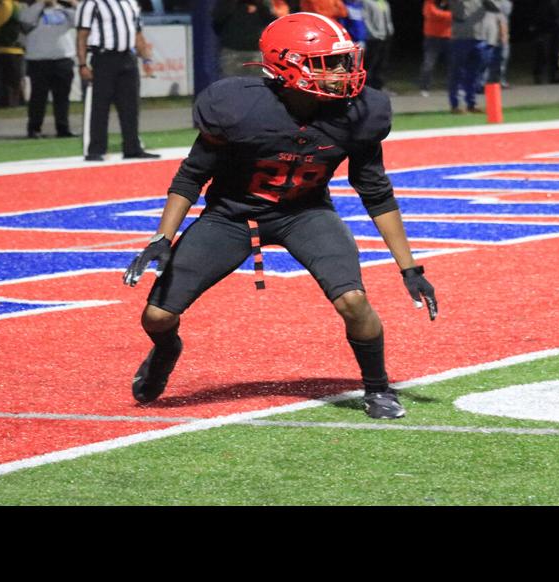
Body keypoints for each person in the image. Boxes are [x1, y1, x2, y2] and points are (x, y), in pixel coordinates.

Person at [119, 12, 440, 419]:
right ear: (287, 67)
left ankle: (377, 388)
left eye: (343, 61)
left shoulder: (360, 112)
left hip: (305, 213)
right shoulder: (238, 106)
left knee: (354, 301)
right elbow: (192, 175)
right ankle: (167, 351)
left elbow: (375, 191)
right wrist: (161, 237)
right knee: (157, 316)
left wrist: (409, 268)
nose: (342, 72)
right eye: (328, 63)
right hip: (231, 216)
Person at [75, 0, 157, 160]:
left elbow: (137, 32)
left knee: (131, 106)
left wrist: (146, 59)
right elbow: (82, 35)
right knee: (100, 105)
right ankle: (96, 150)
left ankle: (132, 147)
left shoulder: (130, 2)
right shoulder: (92, 3)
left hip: (128, 56)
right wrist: (82, 64)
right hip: (104, 57)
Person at [19, 0, 76, 137]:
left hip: (62, 59)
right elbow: (26, 21)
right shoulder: (31, 10)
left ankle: (63, 128)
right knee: (38, 97)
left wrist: (73, 3)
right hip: (39, 61)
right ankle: (34, 128)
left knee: (62, 97)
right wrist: (41, 3)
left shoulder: (65, 11)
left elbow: (82, 19)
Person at [212, 0, 274, 79]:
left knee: (261, 84)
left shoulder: (263, 4)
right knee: (231, 83)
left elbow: (272, 22)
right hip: (232, 53)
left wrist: (260, 5)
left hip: (258, 53)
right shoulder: (226, 3)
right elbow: (217, 21)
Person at [418, 0, 451, 97]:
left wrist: (445, 15)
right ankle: (424, 88)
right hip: (432, 38)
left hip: (448, 37)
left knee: (453, 64)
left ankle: (454, 87)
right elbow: (432, 14)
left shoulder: (452, 3)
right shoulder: (429, 2)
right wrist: (449, 15)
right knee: (428, 64)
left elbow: (459, 15)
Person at [361, 0, 392, 90]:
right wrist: (374, 33)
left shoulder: (383, 2)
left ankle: (379, 86)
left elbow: (387, 18)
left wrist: (390, 30)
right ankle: (368, 87)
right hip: (373, 38)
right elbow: (366, 19)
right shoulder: (367, 2)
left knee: (381, 64)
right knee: (371, 64)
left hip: (385, 36)